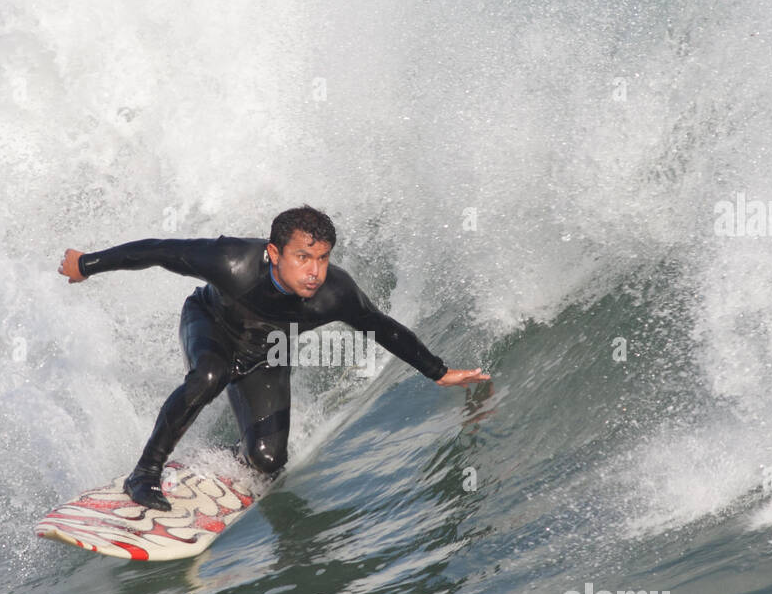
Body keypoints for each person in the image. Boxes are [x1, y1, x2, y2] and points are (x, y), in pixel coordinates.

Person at [58, 205, 490, 510]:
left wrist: (439, 373)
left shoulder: (334, 293)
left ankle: (232, 455)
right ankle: (145, 473)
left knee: (268, 462)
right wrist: (88, 264)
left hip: (266, 354)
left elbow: (383, 328)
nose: (314, 272)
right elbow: (159, 250)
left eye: (322, 259)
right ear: (274, 253)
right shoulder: (231, 262)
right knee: (211, 373)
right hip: (210, 324)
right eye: (303, 257)